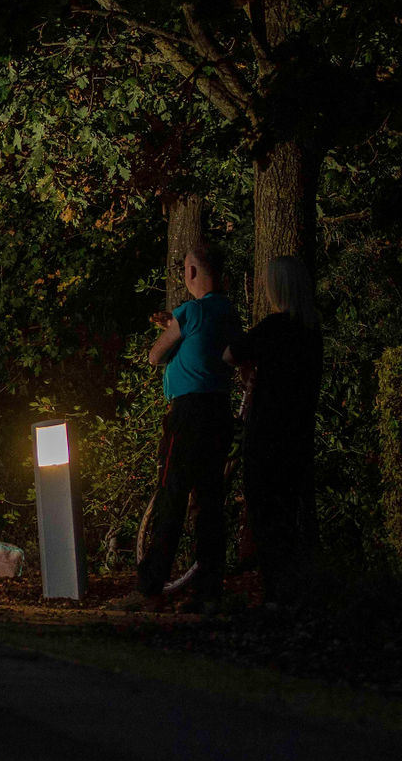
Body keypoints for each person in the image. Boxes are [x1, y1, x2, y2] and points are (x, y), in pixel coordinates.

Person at [134, 242, 240, 613]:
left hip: (189, 411)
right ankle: (209, 589)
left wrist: (174, 329)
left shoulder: (191, 311)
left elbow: (155, 354)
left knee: (172, 493)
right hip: (219, 411)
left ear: (192, 272)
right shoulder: (227, 311)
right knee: (209, 500)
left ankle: (150, 587)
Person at [224, 256, 323, 606]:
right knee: (288, 511)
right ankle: (294, 590)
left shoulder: (273, 327)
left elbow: (230, 354)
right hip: (298, 435)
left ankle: (275, 591)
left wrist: (249, 370)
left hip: (266, 433)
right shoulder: (312, 333)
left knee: (264, 510)